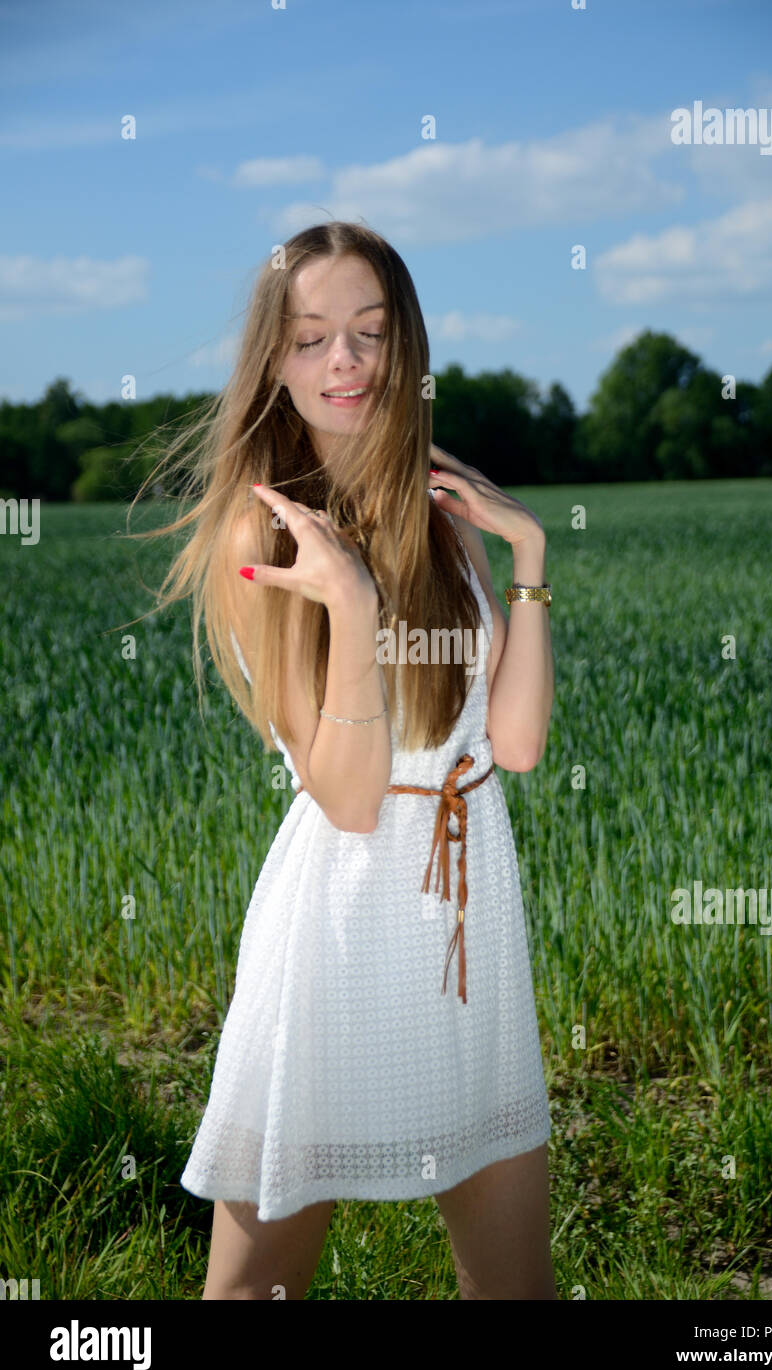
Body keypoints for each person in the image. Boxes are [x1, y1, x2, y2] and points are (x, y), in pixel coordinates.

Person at [134, 221, 556, 1299]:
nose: (346, 362)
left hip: (470, 910)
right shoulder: (259, 534)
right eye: (313, 337)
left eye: (369, 333)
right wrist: (356, 611)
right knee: (254, 1289)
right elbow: (354, 800)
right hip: (341, 915)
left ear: (404, 344)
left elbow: (511, 745)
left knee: (514, 1287)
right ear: (274, 359)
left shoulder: (446, 505)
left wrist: (530, 559)